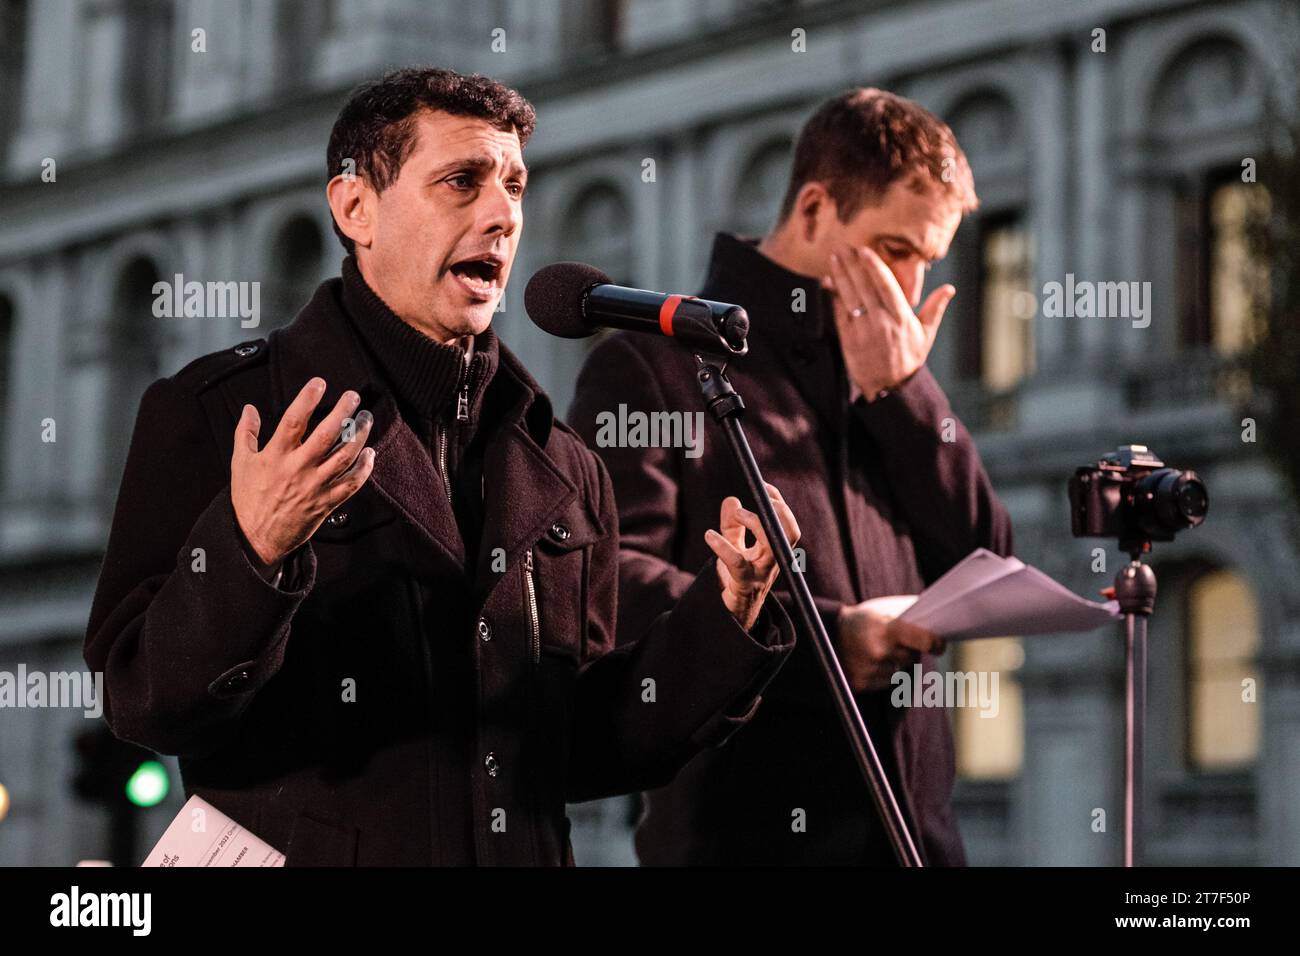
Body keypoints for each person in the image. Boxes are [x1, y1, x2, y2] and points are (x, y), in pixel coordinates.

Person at [84, 67, 800, 867]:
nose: (502, 215)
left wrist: (727, 617)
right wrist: (252, 547)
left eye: (515, 186)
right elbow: (144, 699)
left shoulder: (565, 468)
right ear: (356, 208)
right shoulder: (224, 412)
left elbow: (576, 748)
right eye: (462, 181)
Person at [569, 88, 1014, 865]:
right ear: (813, 211)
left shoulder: (884, 372)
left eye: (926, 261)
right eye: (895, 250)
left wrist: (907, 397)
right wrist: (832, 640)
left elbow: (987, 563)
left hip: (919, 843)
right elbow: (609, 585)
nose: (909, 290)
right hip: (743, 843)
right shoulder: (653, 366)